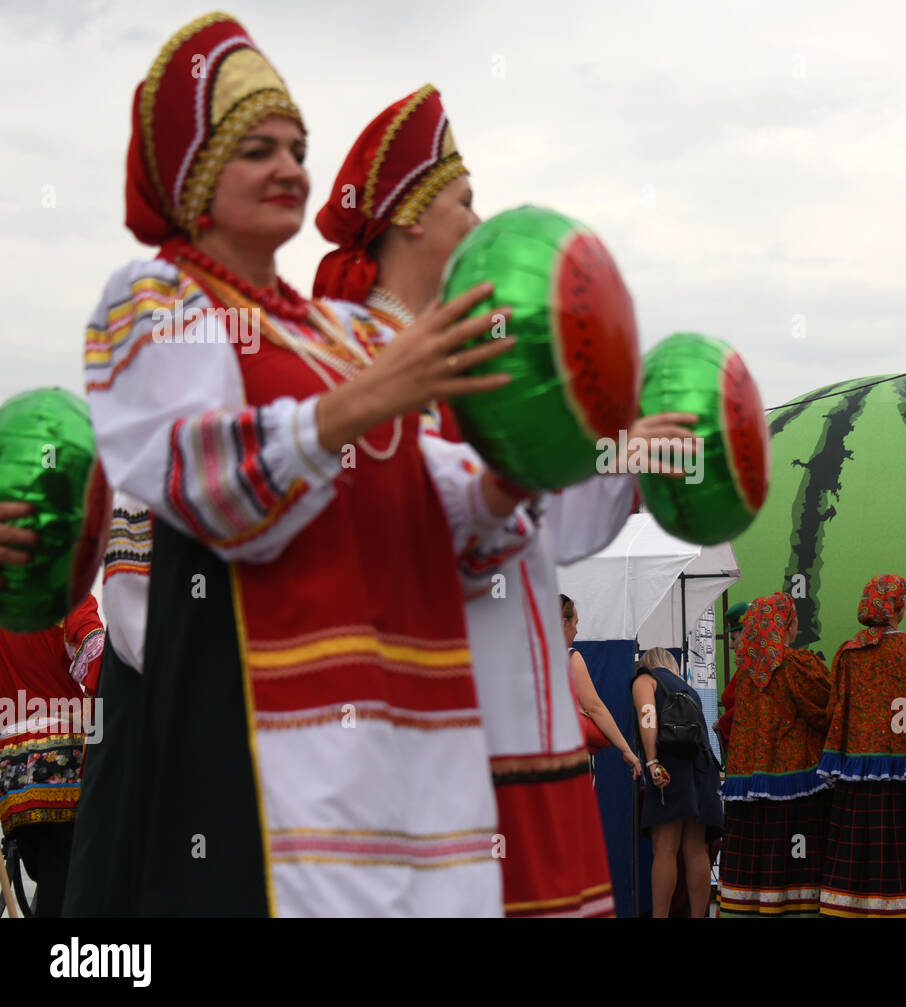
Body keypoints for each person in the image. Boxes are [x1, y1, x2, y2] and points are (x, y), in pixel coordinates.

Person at [81, 13, 535, 916]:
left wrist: (509, 475)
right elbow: (199, 477)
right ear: (194, 175)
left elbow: (434, 509)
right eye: (258, 149)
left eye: (298, 146)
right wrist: (364, 401)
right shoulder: (156, 297)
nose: (291, 166)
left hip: (410, 734)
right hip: (259, 736)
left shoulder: (347, 329)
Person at [314, 85, 695, 917]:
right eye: (464, 200)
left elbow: (543, 529)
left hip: (524, 740)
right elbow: (434, 527)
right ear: (411, 216)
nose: (479, 223)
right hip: (447, 745)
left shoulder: (470, 362)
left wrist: (629, 460)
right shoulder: (362, 361)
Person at [817, 574, 906, 917]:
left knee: (861, 853)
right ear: (898, 608)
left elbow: (834, 712)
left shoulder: (847, 654)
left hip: (856, 776)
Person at [718, 593, 831, 916]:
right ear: (787, 625)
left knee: (754, 864)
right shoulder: (797, 664)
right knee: (796, 865)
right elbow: (827, 709)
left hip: (747, 788)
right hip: (793, 786)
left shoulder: (745, 676)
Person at [0, 594, 104, 916]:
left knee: (47, 879)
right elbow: (96, 652)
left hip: (13, 783)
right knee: (66, 891)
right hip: (66, 776)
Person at [632, 647, 723, 917]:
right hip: (702, 770)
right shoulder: (688, 688)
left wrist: (652, 761)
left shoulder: (644, 679)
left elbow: (647, 716)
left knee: (665, 850)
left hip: (670, 768)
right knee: (696, 850)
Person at [561, 595, 640, 775]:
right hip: (568, 753)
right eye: (576, 623)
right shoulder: (570, 657)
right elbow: (594, 707)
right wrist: (626, 749)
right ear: (563, 623)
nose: (577, 631)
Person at [714, 600, 749, 750]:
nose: (731, 646)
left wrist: (721, 723)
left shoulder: (754, 671)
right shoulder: (746, 669)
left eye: (734, 639)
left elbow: (747, 708)